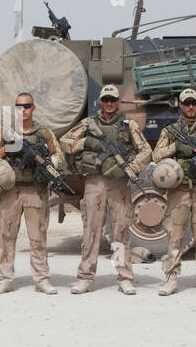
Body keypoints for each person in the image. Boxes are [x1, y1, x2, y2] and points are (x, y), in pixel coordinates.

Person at [59, 84, 150, 295]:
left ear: (118, 102)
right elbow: (66, 142)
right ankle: (85, 277)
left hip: (118, 185)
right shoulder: (88, 124)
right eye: (105, 100)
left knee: (120, 232)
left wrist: (132, 168)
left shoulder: (128, 125)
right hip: (94, 183)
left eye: (113, 100)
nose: (109, 104)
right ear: (100, 101)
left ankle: (124, 276)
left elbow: (145, 150)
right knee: (91, 231)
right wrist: (87, 142)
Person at [0, 92, 64, 294]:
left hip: (35, 191)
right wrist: (2, 152)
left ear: (33, 108)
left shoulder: (44, 133)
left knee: (37, 237)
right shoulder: (6, 131)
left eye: (27, 105)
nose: (24, 109)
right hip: (10, 192)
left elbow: (59, 157)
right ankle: (4, 279)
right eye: (19, 106)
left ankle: (42, 279)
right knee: (6, 236)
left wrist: (44, 163)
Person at [151, 88, 196, 297]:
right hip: (179, 190)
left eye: (194, 103)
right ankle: (171, 277)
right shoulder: (171, 131)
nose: (190, 107)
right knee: (175, 235)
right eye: (186, 103)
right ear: (181, 105)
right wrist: (175, 147)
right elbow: (156, 155)